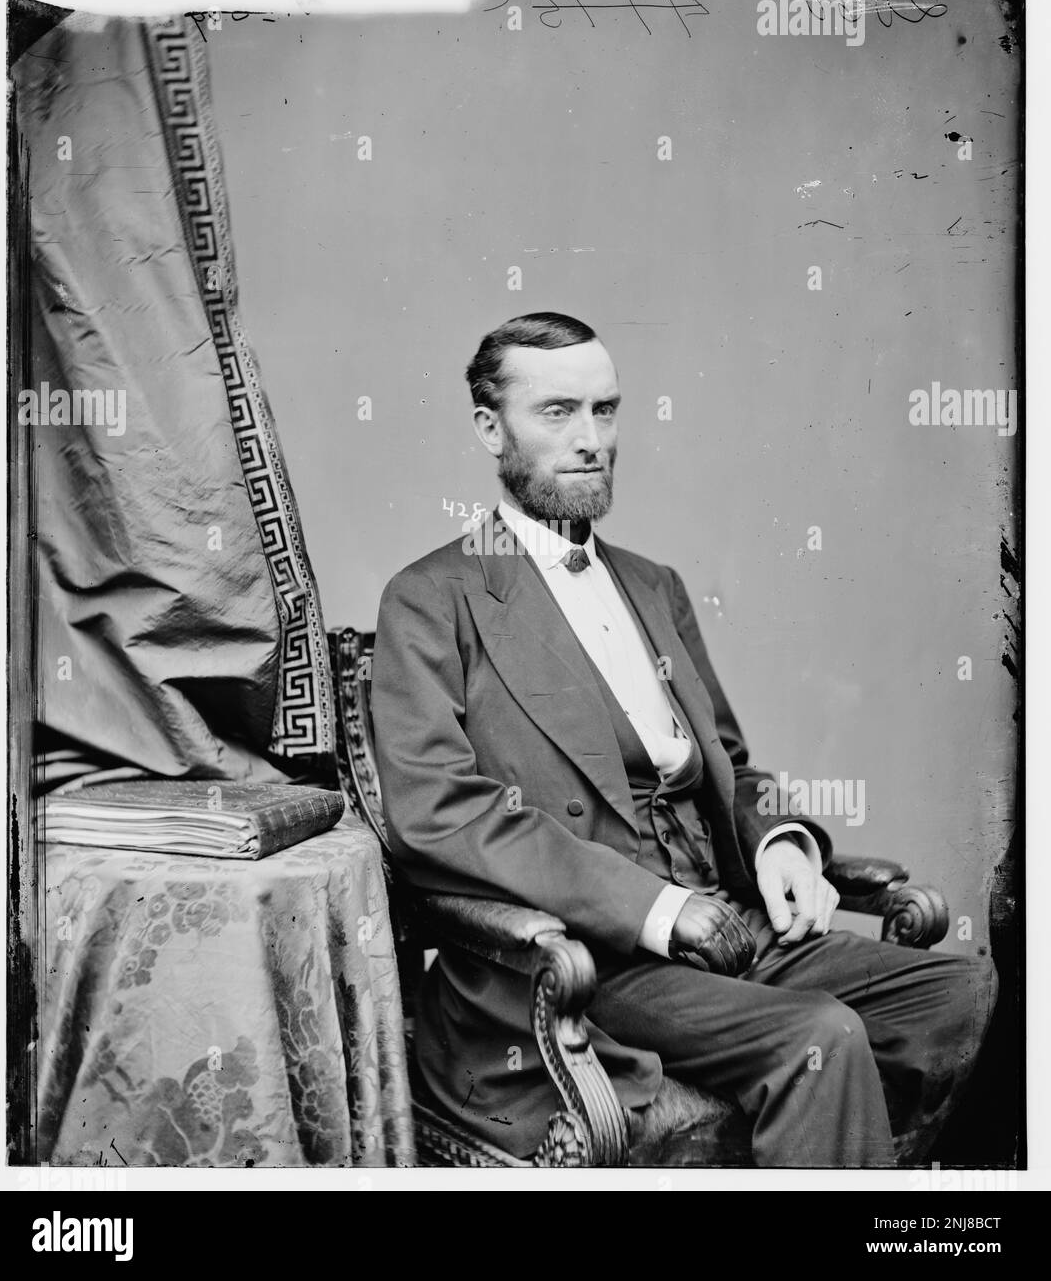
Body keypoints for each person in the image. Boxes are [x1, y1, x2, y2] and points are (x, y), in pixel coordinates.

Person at [371, 312, 997, 1165]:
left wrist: (777, 843)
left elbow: (727, 767)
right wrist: (658, 910)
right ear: (490, 428)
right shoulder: (431, 597)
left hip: (731, 924)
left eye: (605, 410)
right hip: (589, 960)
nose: (591, 439)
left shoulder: (651, 585)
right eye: (557, 412)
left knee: (962, 994)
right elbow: (437, 813)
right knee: (821, 1036)